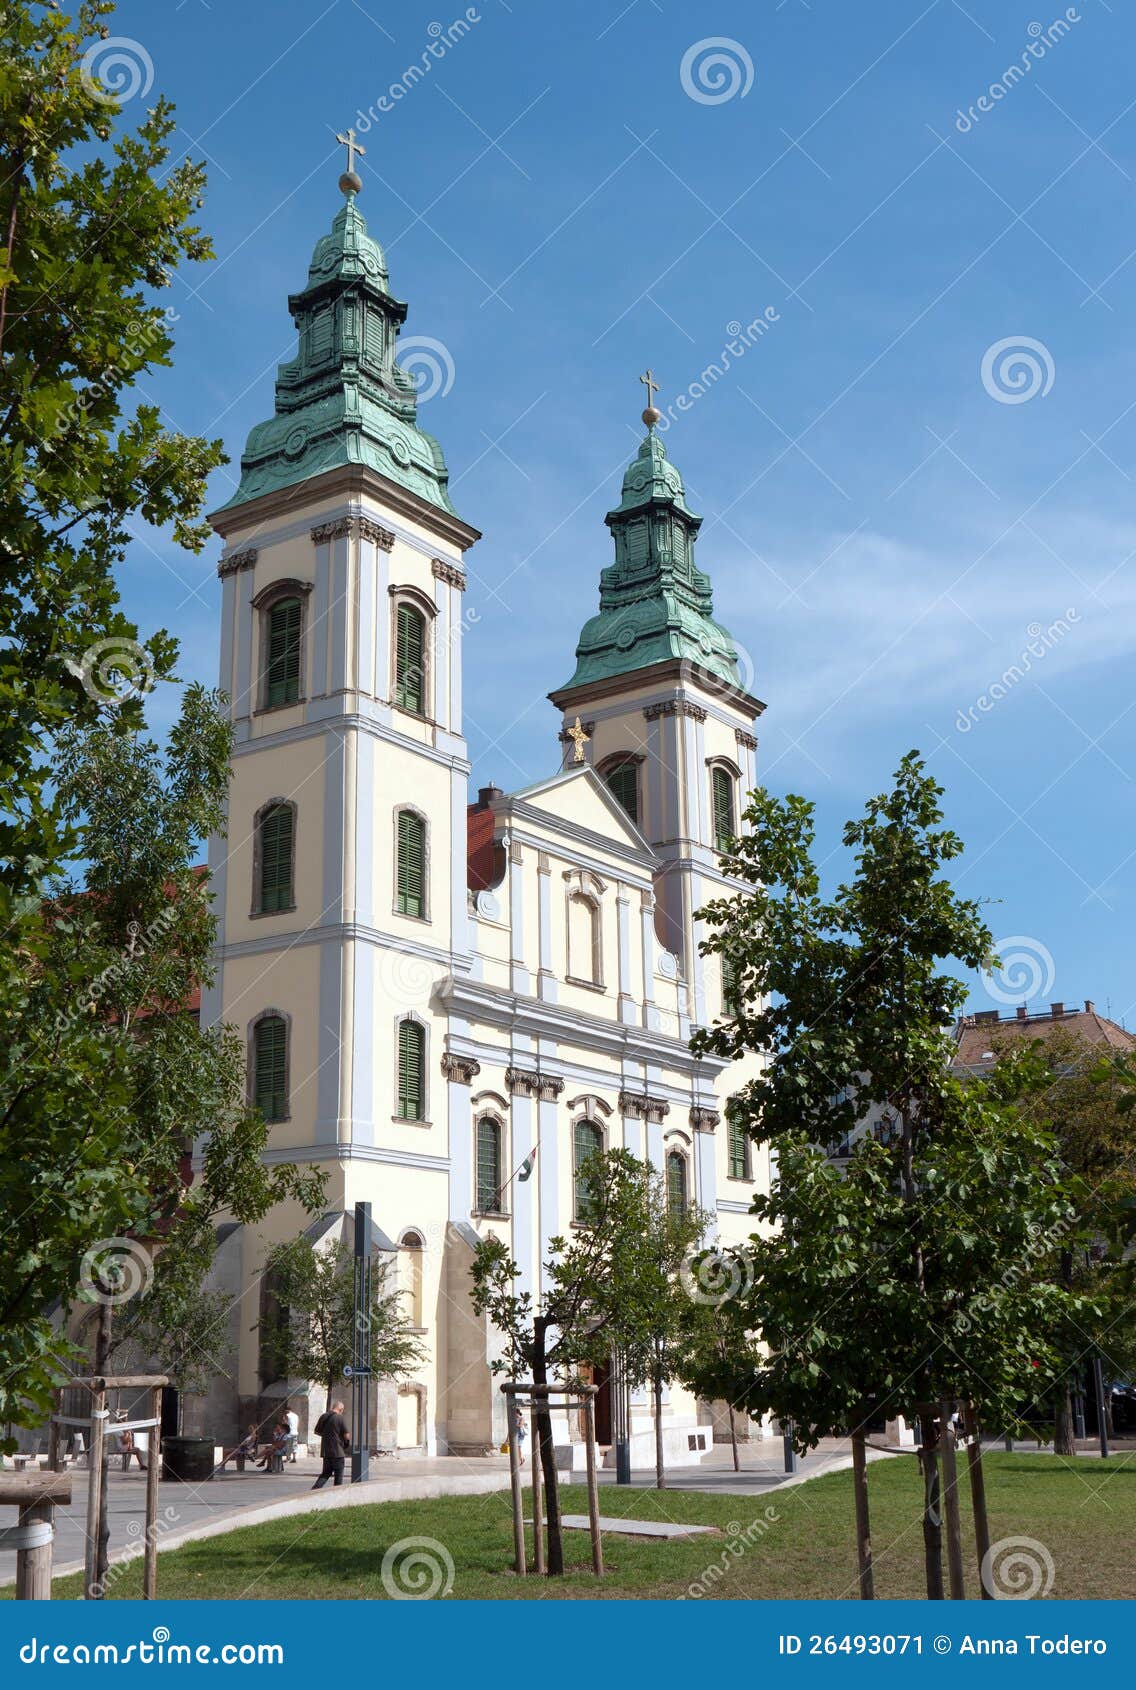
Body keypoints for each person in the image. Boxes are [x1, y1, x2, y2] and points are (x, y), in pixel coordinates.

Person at [312, 1401, 350, 1489]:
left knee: (325, 1474)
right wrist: (346, 1443)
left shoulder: (323, 1416)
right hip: (338, 1452)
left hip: (326, 1452)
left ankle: (314, 1490)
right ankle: (336, 1493)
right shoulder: (340, 1418)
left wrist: (326, 1435)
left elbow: (316, 1431)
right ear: (341, 1409)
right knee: (338, 1476)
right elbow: (346, 1435)